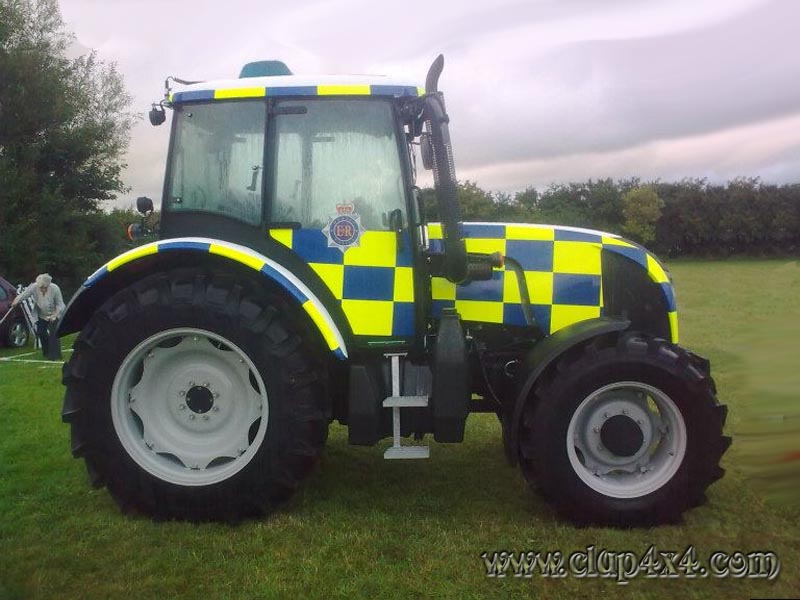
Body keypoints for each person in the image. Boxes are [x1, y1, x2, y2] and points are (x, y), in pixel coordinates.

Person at [12, 273, 65, 360]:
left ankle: (56, 355)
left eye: (45, 288)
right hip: (42, 314)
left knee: (54, 334)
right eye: (41, 288)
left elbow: (60, 305)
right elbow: (24, 295)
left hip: (55, 313)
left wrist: (54, 315)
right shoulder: (34, 287)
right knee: (41, 332)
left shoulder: (55, 288)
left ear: (48, 285)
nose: (42, 290)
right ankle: (46, 352)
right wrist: (16, 301)